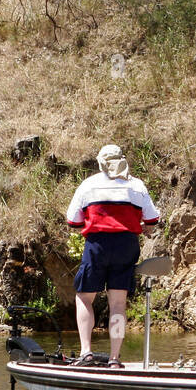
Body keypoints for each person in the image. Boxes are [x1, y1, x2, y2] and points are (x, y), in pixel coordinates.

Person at [65, 144, 161, 367]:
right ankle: (114, 358)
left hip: (97, 244)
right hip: (127, 244)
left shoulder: (89, 185)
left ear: (100, 163)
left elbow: (73, 220)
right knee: (118, 304)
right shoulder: (136, 185)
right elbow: (152, 219)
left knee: (84, 297)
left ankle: (86, 352)